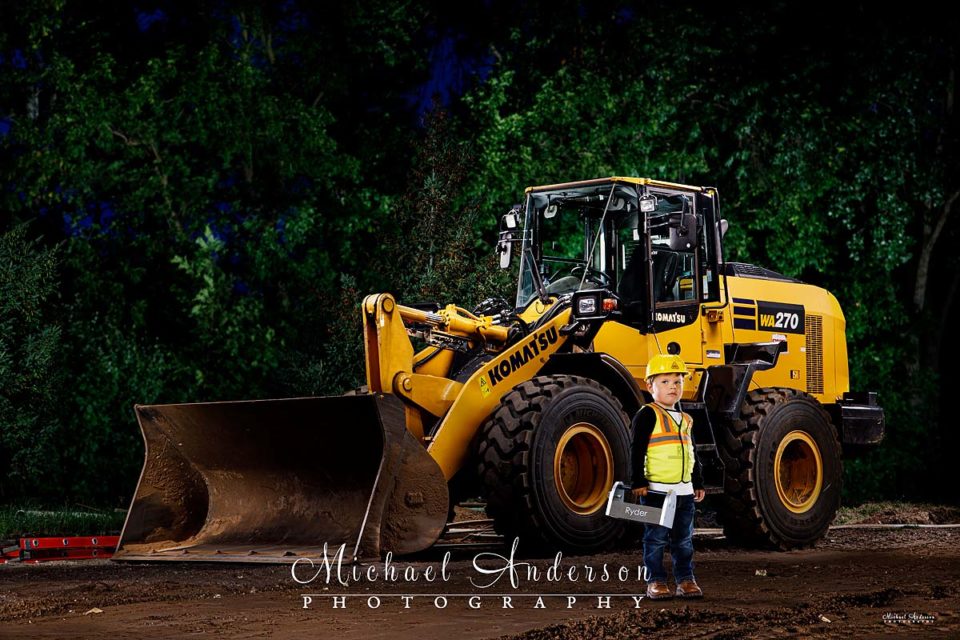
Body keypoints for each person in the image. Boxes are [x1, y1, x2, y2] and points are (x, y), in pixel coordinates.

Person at [631, 354, 705, 600]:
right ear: (650, 385)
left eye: (677, 381)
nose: (673, 386)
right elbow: (637, 449)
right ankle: (656, 581)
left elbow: (691, 452)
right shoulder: (647, 414)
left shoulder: (686, 419)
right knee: (655, 539)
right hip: (656, 492)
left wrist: (697, 482)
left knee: (683, 541)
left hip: (684, 493)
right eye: (665, 381)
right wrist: (638, 481)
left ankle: (685, 580)